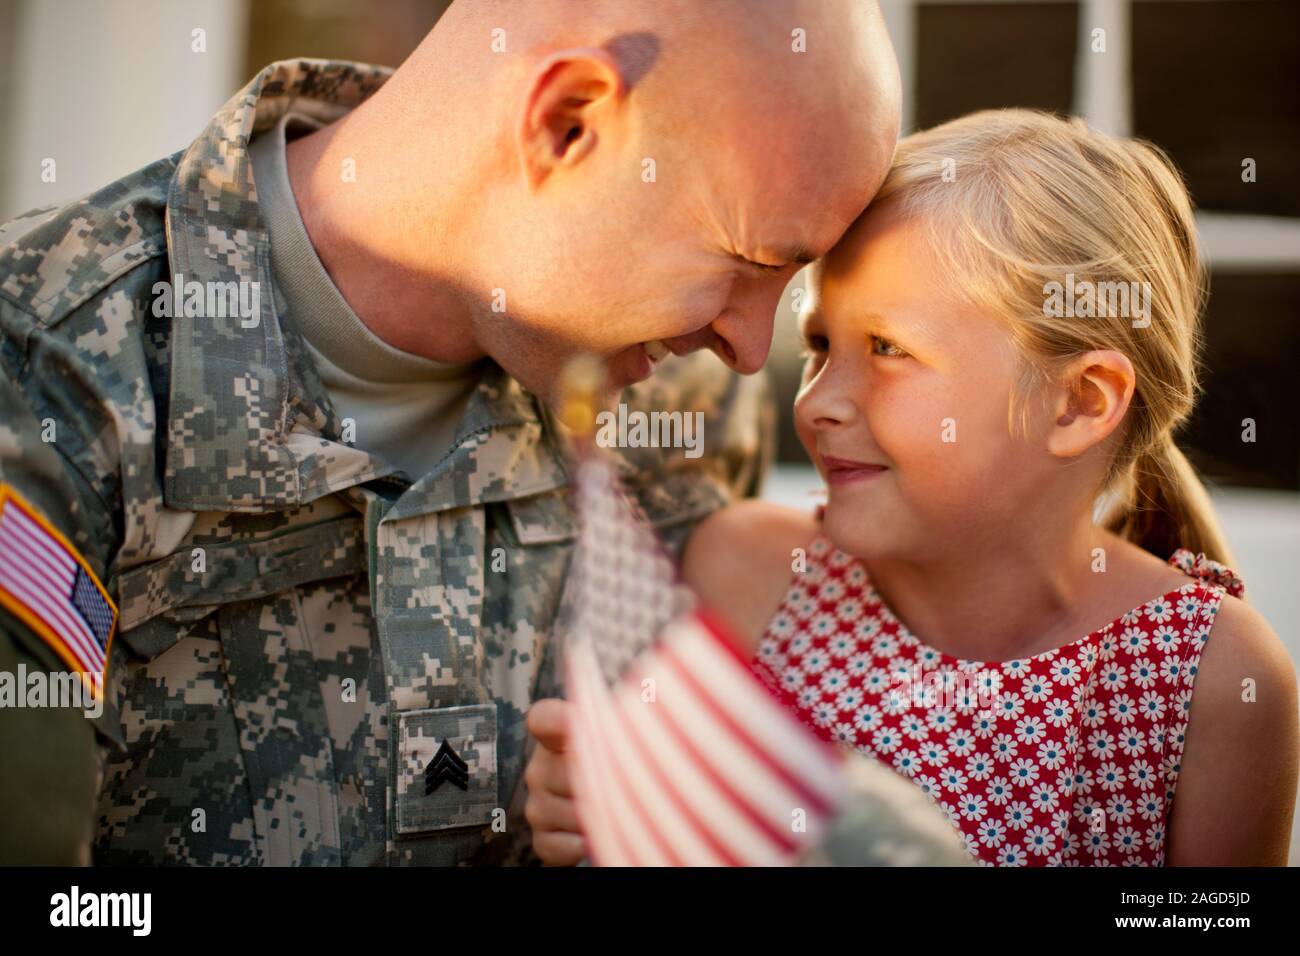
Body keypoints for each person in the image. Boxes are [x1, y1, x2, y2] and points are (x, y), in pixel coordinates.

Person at [0, 0, 902, 864]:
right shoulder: (48, 367)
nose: (752, 349)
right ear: (569, 123)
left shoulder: (681, 394)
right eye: (750, 261)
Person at [526, 110, 1300, 867]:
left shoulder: (1212, 680)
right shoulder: (749, 579)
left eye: (888, 348)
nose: (816, 401)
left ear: (1078, 402)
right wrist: (597, 821)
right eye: (822, 344)